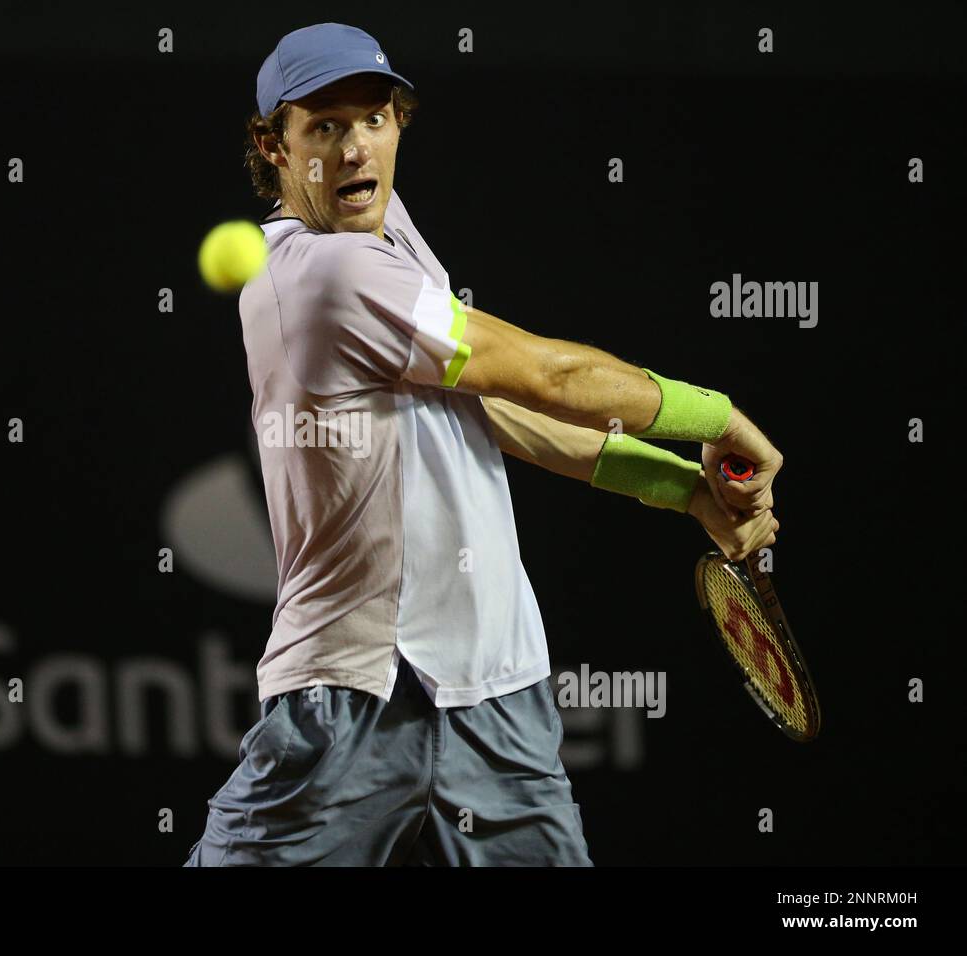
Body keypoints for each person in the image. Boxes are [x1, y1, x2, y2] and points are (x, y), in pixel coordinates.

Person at [185, 22, 783, 866]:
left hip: (499, 693)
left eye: (373, 119)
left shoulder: (386, 233)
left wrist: (680, 486)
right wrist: (715, 417)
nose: (354, 149)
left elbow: (496, 408)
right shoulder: (325, 274)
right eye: (322, 127)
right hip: (355, 697)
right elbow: (549, 375)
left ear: (399, 123)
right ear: (271, 145)